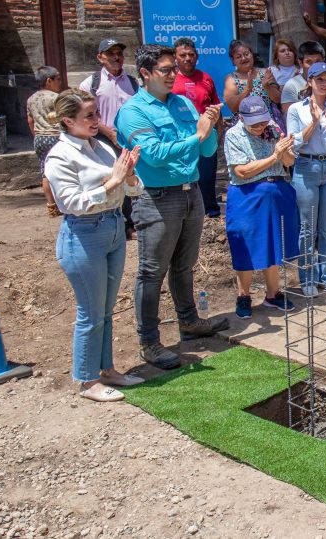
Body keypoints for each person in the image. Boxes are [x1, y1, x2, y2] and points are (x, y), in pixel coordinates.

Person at [114, 45, 227, 370]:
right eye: (166, 70)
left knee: (184, 265)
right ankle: (149, 342)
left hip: (191, 193)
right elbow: (154, 155)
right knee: (152, 272)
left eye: (174, 69)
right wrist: (197, 137)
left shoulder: (182, 103)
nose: (174, 75)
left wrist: (209, 129)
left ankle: (189, 323)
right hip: (157, 198)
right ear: (145, 74)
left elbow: (206, 151)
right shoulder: (134, 111)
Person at [44, 89, 144, 402]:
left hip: (113, 226)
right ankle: (87, 380)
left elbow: (135, 189)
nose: (96, 120)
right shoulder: (60, 155)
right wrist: (113, 182)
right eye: (88, 115)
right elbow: (70, 203)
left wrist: (127, 176)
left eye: (96, 114)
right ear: (67, 119)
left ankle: (107, 369)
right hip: (83, 234)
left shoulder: (101, 147)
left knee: (106, 309)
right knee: (90, 311)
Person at [223, 96, 299, 317]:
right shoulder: (233, 134)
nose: (260, 127)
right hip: (248, 195)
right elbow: (242, 171)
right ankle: (243, 295)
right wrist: (274, 155)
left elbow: (288, 162)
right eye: (254, 123)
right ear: (242, 118)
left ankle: (273, 294)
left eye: (262, 121)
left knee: (274, 245)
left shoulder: (273, 127)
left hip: (276, 192)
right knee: (245, 246)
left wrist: (284, 151)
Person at [287, 62, 326, 295]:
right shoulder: (296, 109)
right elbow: (294, 142)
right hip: (306, 166)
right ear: (309, 81)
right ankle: (307, 277)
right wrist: (314, 121)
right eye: (319, 79)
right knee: (307, 227)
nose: (324, 83)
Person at [78, 38, 139, 237]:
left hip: (128, 139)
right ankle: (109, 221)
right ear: (100, 57)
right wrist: (108, 132)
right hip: (102, 139)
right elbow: (82, 113)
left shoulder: (132, 82)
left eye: (119, 53)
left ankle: (130, 224)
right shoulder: (91, 83)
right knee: (108, 179)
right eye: (110, 53)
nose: (116, 57)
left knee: (130, 178)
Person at [172, 37, 223, 218]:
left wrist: (218, 134)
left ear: (197, 56)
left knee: (207, 175)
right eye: (183, 55)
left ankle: (210, 210)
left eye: (191, 54)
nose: (187, 58)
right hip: (180, 136)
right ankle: (187, 212)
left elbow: (216, 107)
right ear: (175, 58)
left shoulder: (206, 78)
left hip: (207, 135)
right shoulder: (171, 80)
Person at [27, 65, 64, 216]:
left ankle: (51, 206)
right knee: (62, 170)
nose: (60, 81)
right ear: (49, 81)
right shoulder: (56, 98)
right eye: (58, 78)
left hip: (40, 138)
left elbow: (30, 120)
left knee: (45, 172)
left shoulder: (31, 99)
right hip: (56, 137)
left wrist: (36, 136)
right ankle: (64, 203)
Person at [223, 40, 283, 127]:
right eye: (238, 56)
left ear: (252, 55)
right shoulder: (231, 79)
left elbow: (278, 99)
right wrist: (247, 89)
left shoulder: (265, 73)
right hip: (245, 127)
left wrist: (267, 87)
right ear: (233, 61)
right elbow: (233, 108)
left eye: (246, 54)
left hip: (269, 126)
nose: (244, 58)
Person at [280, 41, 326, 115]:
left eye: (317, 61)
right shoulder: (291, 86)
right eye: (309, 62)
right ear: (300, 63)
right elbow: (289, 115)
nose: (314, 65)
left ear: (323, 60)